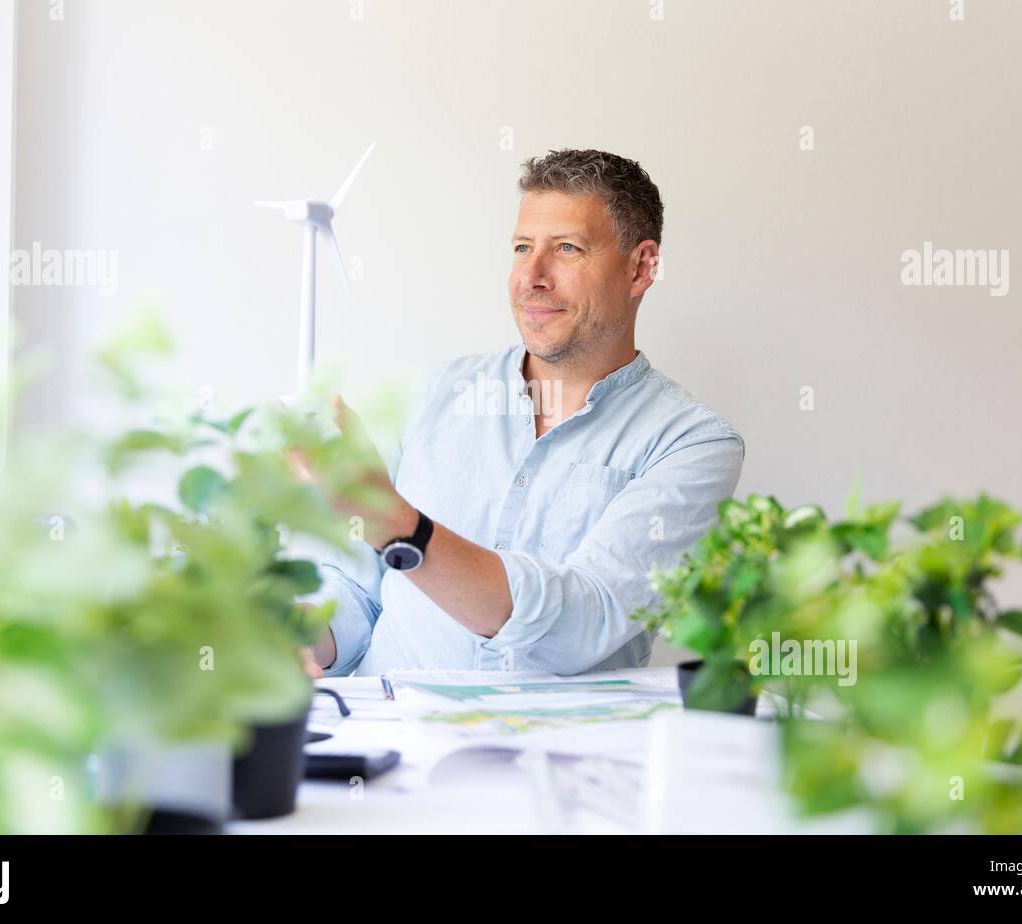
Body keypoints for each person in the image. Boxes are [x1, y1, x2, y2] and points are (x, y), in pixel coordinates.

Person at [293, 148, 744, 678]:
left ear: (641, 267)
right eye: (522, 247)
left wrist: (398, 525)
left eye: (568, 248)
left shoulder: (693, 444)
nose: (532, 276)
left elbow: (585, 622)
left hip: (562, 754)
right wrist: (299, 635)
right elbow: (354, 592)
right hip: (391, 738)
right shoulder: (428, 396)